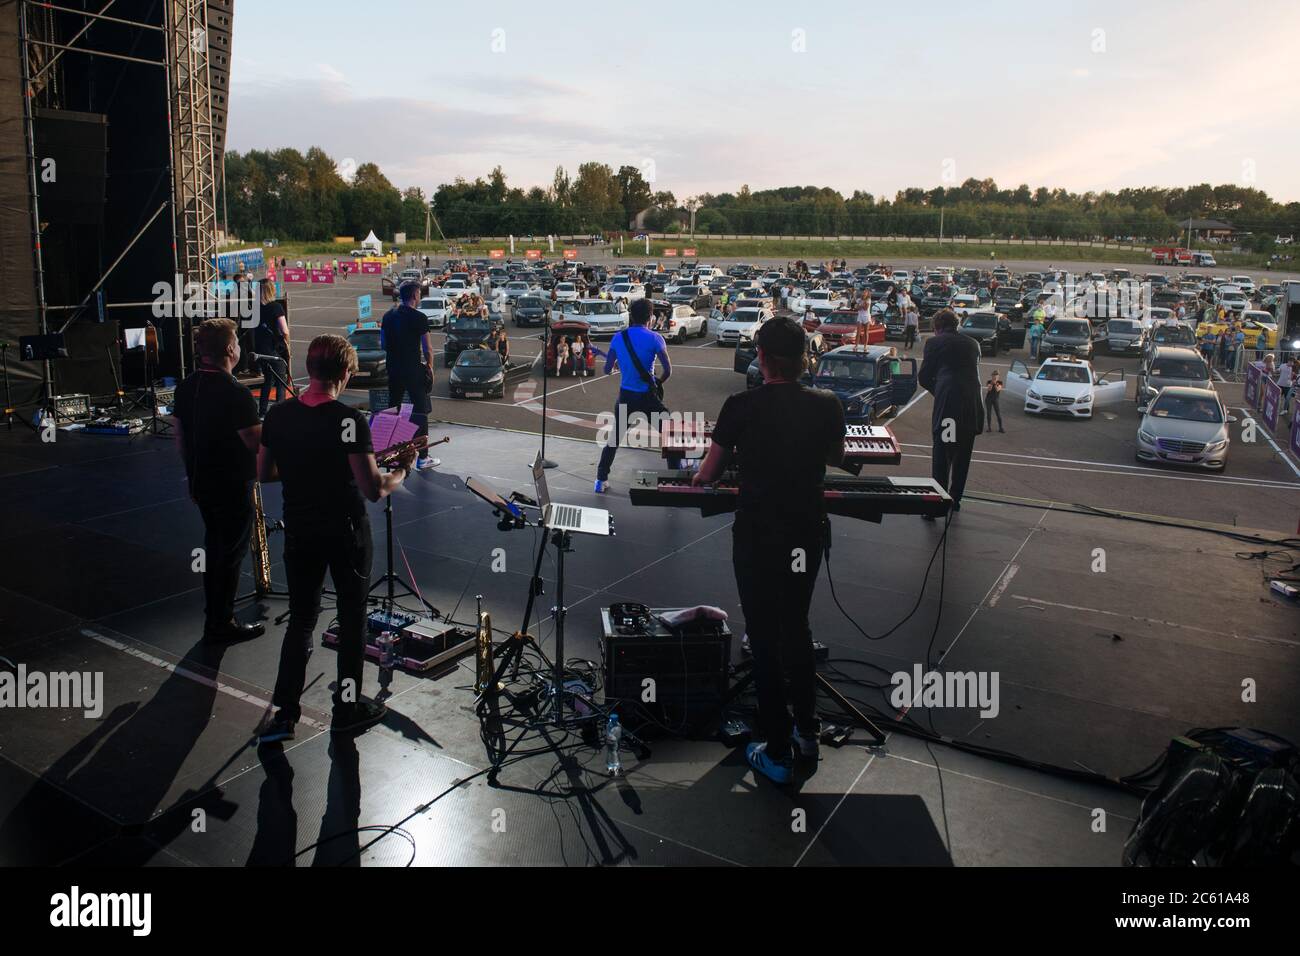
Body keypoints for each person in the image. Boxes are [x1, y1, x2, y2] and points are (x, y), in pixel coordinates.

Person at [691, 316, 845, 785]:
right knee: (795, 628)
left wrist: (723, 465)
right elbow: (837, 458)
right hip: (806, 532)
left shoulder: (741, 405)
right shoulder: (827, 404)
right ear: (804, 359)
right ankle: (806, 733)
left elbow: (708, 474)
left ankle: (775, 751)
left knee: (763, 636)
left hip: (759, 534)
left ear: (762, 358)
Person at [255, 335, 418, 743]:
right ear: (345, 373)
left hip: (300, 530)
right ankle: (346, 710)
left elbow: (264, 473)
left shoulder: (278, 415)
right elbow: (373, 489)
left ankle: (285, 714)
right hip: (345, 534)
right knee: (351, 619)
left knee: (302, 620)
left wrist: (304, 467)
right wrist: (403, 470)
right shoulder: (349, 420)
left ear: (310, 368)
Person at [172, 319, 266, 644]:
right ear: (229, 349)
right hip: (232, 485)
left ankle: (215, 615)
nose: (239, 347)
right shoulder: (235, 393)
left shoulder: (186, 386)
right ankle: (221, 622)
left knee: (214, 548)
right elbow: (255, 442)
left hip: (203, 483)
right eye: (237, 341)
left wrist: (191, 477)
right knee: (229, 554)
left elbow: (180, 436)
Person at [594, 298, 681, 492]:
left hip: (626, 396)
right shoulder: (655, 339)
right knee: (670, 433)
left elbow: (607, 370)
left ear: (631, 316)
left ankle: (601, 480)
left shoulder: (618, 337)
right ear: (650, 317)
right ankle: (676, 478)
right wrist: (657, 383)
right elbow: (668, 370)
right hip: (647, 397)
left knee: (614, 438)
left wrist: (620, 365)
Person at [918, 309, 983, 515]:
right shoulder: (973, 344)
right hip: (972, 409)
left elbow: (924, 377)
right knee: (962, 458)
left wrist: (941, 391)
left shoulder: (934, 343)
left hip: (949, 410)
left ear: (937, 327)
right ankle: (955, 500)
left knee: (942, 457)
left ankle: (937, 504)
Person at [380, 281, 438, 470]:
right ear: (414, 296)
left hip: (393, 368)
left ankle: (390, 452)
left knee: (393, 408)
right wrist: (430, 367)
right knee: (420, 411)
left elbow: (383, 343)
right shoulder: (419, 317)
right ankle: (423, 457)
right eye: (419, 293)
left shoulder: (388, 316)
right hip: (412, 369)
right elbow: (427, 348)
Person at [252, 280, 291, 417]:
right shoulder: (276, 307)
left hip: (260, 349)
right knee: (281, 381)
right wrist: (287, 346)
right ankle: (280, 413)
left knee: (268, 381)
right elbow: (284, 330)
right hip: (273, 349)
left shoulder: (256, 308)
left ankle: (262, 412)